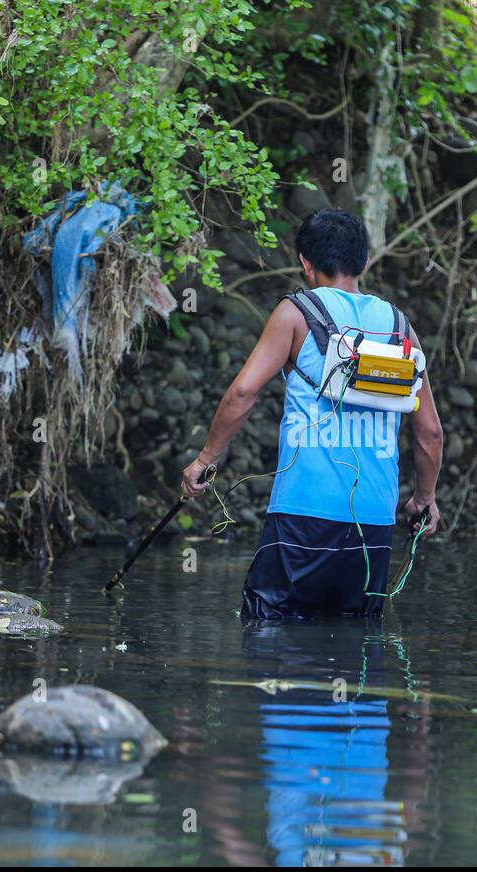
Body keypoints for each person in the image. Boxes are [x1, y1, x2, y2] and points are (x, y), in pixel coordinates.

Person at [181, 209, 443, 620]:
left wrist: (204, 461)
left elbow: (244, 391)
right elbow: (429, 433)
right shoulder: (399, 326)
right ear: (365, 262)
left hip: (303, 513)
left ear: (305, 262)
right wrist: (423, 500)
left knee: (266, 633)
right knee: (355, 645)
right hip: (373, 522)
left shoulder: (296, 313)